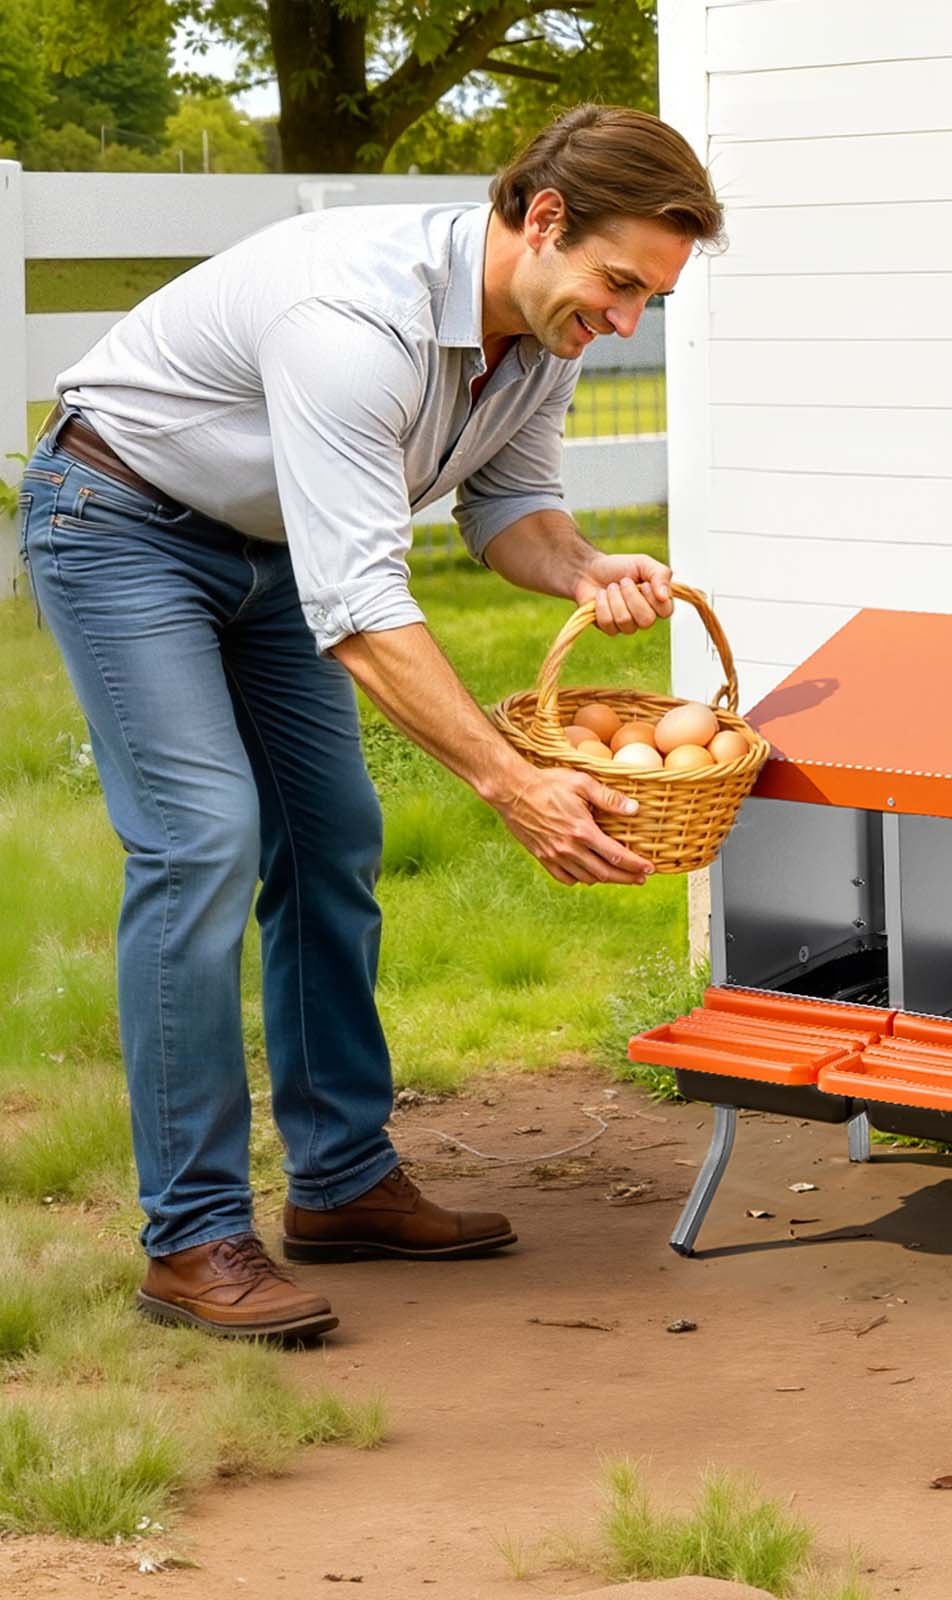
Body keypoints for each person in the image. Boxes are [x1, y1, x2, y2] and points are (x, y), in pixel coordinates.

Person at [17, 105, 725, 1341]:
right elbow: (358, 607)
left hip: (271, 546)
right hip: (123, 521)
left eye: (644, 302)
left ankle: (339, 1183)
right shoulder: (356, 320)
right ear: (542, 219)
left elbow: (509, 510)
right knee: (200, 841)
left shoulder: (544, 334)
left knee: (332, 834)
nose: (621, 323)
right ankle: (190, 1240)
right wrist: (515, 783)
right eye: (618, 285)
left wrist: (582, 567)